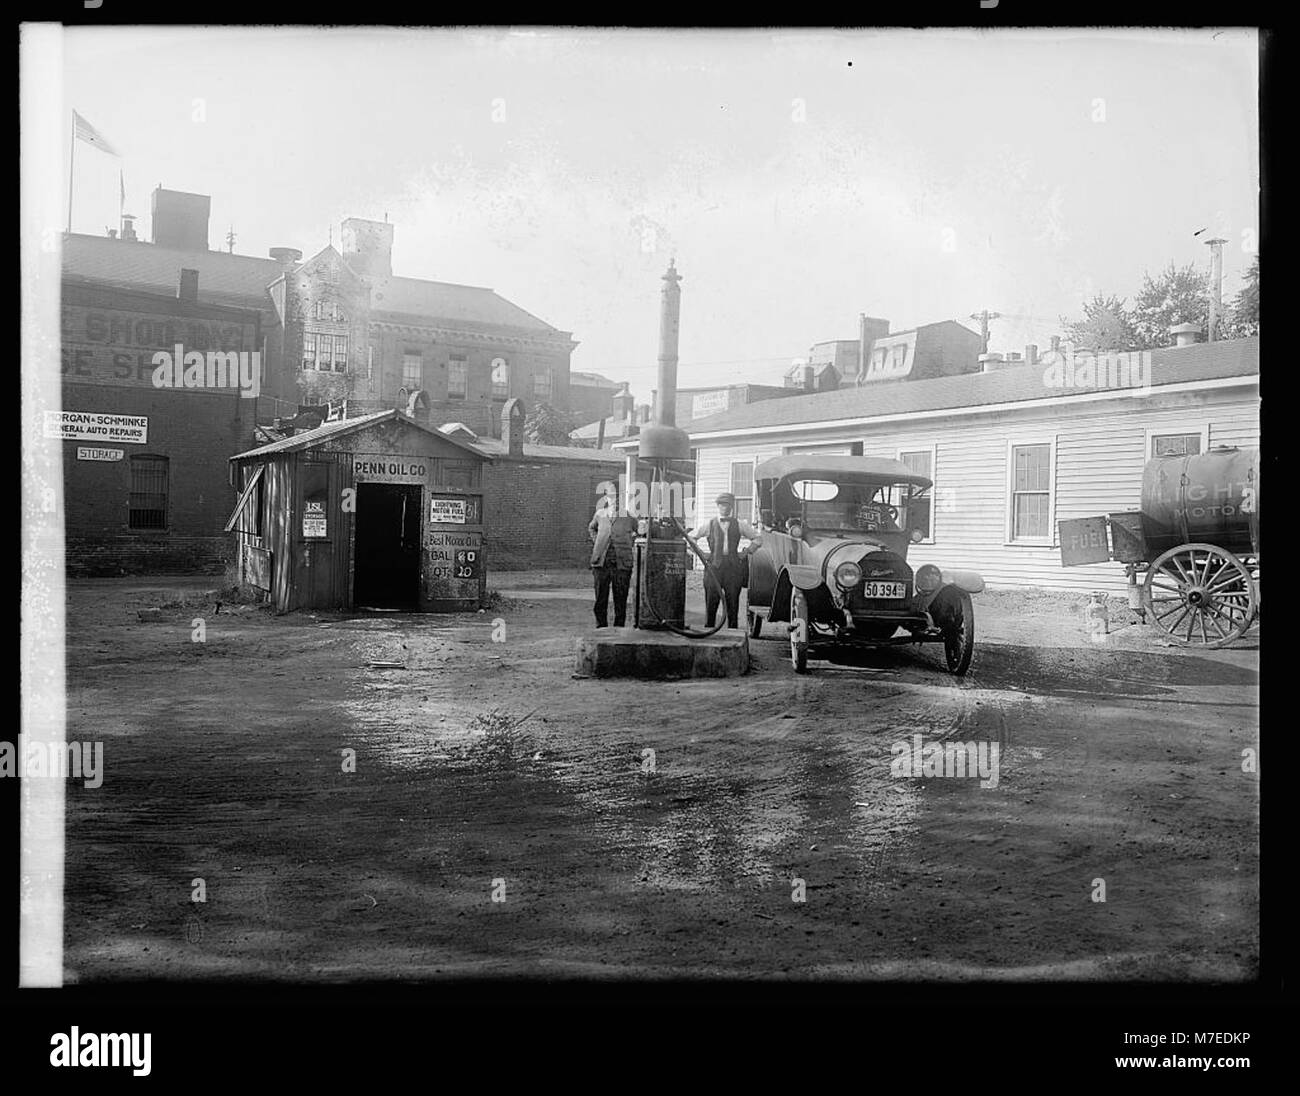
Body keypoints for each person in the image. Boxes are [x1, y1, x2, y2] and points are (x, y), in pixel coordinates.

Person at [691, 492, 762, 629]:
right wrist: (701, 554)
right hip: (713, 568)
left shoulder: (740, 524)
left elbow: (758, 539)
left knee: (733, 604)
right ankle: (709, 632)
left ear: (732, 507)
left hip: (733, 568)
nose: (725, 508)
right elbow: (690, 538)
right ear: (718, 506)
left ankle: (733, 634)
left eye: (728, 505)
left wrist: (746, 552)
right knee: (711, 603)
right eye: (722, 505)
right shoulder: (709, 524)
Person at [588, 490, 637, 628]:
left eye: (618, 498)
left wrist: (628, 543)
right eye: (611, 497)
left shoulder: (628, 516)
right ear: (606, 499)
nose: (615, 501)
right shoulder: (599, 514)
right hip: (601, 562)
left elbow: (639, 531)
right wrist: (598, 541)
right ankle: (601, 626)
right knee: (600, 597)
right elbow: (591, 528)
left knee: (620, 597)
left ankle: (619, 628)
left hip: (621, 563)